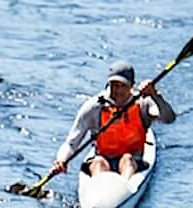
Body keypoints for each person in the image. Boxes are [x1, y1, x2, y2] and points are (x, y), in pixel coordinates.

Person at [47, 60, 176, 182]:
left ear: (132, 85)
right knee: (98, 163)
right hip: (103, 158)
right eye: (114, 85)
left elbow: (169, 118)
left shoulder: (143, 103)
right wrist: (61, 160)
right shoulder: (94, 107)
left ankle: (124, 189)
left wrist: (155, 95)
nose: (118, 91)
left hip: (133, 160)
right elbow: (71, 143)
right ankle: (99, 190)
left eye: (123, 86)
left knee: (127, 160)